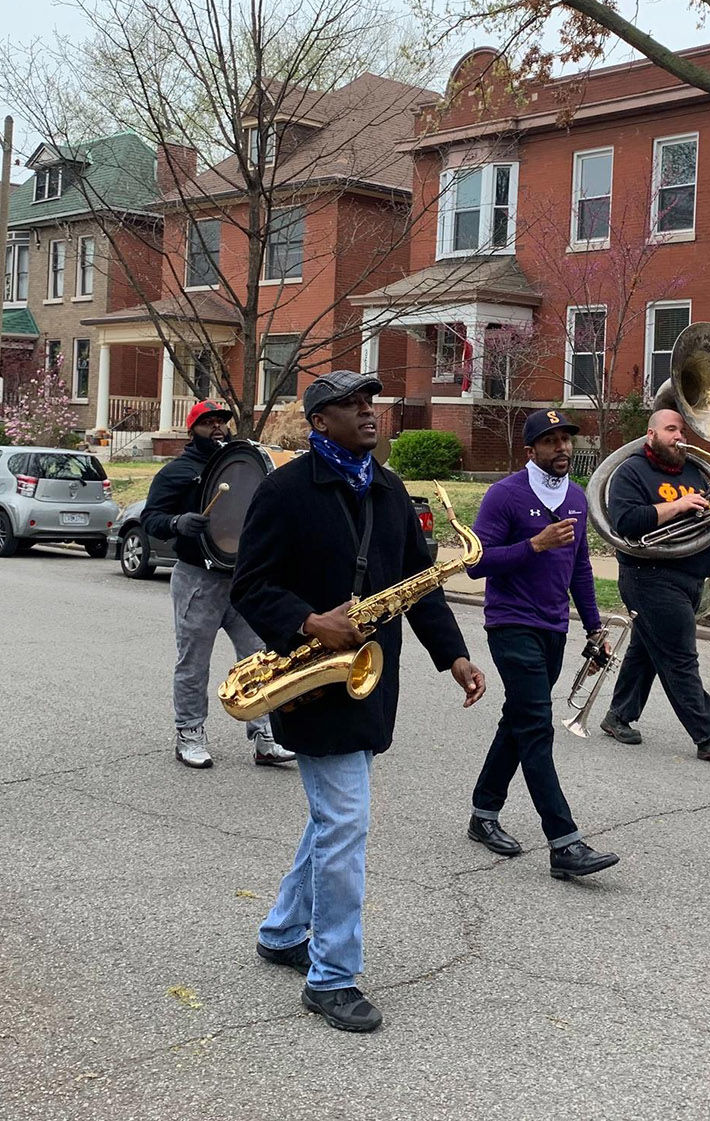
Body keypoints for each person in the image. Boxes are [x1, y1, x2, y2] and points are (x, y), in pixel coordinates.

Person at [231, 370, 486, 1033]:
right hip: (313, 682)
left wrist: (452, 655)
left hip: (369, 683)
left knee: (332, 820)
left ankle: (284, 930)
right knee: (346, 822)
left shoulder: (390, 490)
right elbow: (250, 585)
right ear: (319, 422)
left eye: (370, 402)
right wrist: (312, 622)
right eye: (350, 405)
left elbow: (419, 583)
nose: (369, 412)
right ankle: (332, 974)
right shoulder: (285, 491)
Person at [464, 408, 619, 880]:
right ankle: (564, 843)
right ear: (531, 451)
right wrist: (534, 544)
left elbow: (580, 569)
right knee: (536, 726)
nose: (563, 449)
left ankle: (483, 814)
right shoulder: (503, 496)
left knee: (519, 719)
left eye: (566, 439)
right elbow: (477, 563)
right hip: (511, 625)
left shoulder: (574, 496)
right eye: (551, 441)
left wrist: (594, 629)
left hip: (553, 628)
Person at [142, 400, 293, 770]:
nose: (217, 428)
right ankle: (189, 733)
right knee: (194, 664)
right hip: (198, 578)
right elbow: (151, 518)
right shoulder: (177, 472)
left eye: (221, 421)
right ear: (192, 429)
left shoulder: (242, 465)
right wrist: (178, 522)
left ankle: (264, 737)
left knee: (260, 660)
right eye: (208, 422)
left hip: (243, 579)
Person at [598, 408, 710, 761]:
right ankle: (709, 735)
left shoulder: (696, 470)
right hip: (649, 577)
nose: (679, 435)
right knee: (679, 656)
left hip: (691, 577)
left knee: (647, 650)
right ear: (651, 435)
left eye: (682, 429)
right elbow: (626, 522)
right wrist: (677, 506)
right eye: (670, 429)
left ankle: (618, 716)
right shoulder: (630, 472)